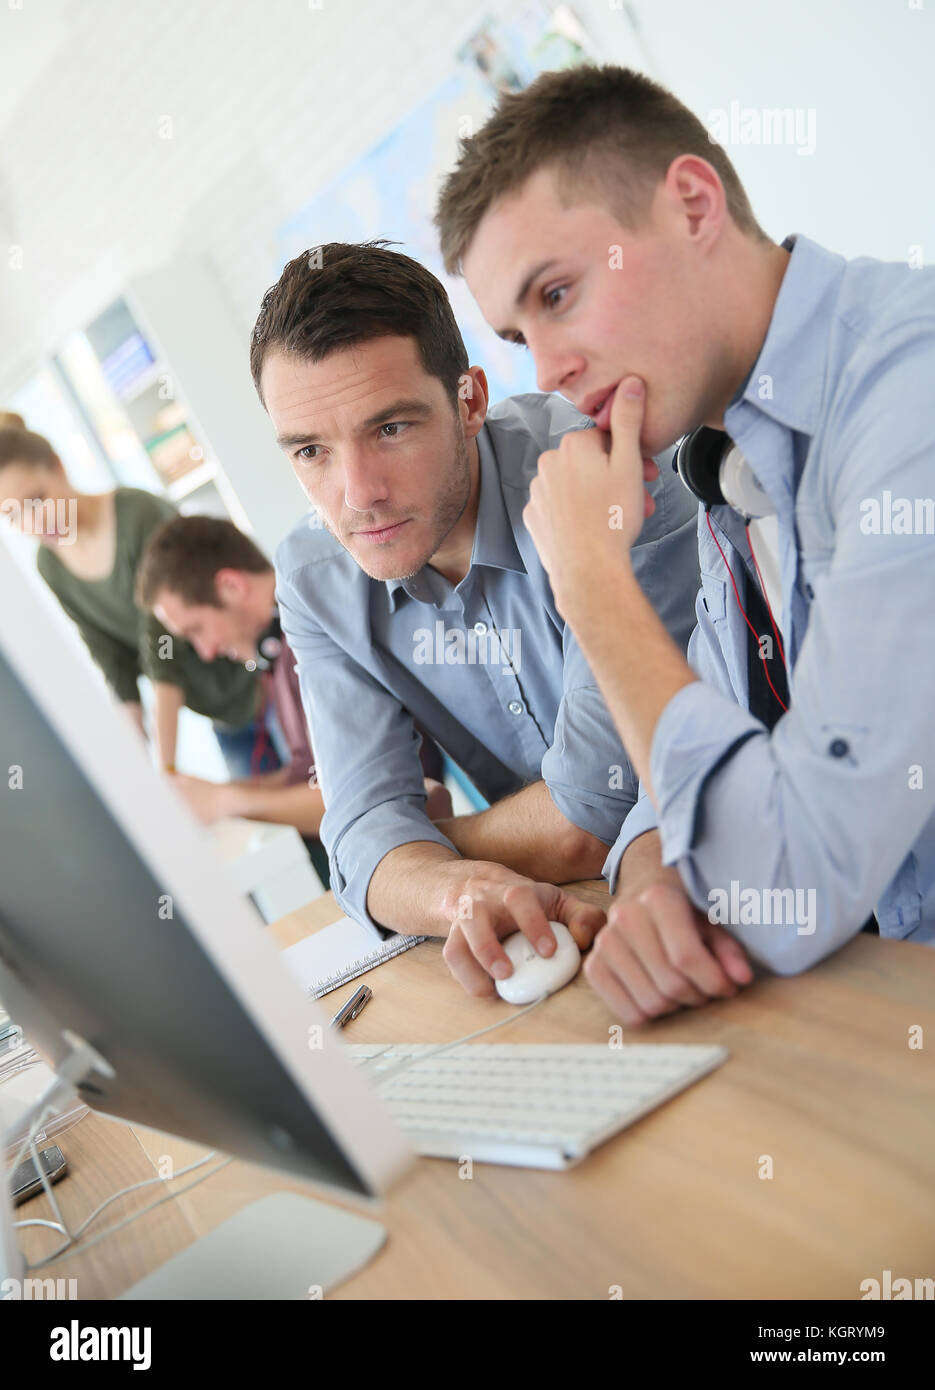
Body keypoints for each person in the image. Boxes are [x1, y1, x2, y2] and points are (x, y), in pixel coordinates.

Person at [434, 61, 935, 1023]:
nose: (547, 371)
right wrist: (655, 881)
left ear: (694, 206)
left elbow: (793, 886)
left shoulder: (904, 393)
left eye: (559, 294)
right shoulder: (722, 445)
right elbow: (689, 761)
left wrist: (588, 580)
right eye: (517, 334)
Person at [250, 240, 701, 993]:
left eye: (390, 429)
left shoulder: (608, 473)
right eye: (310, 451)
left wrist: (421, 845)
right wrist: (453, 888)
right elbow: (360, 843)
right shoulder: (315, 579)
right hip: (579, 932)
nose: (356, 493)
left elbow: (592, 814)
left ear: (470, 401)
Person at [135, 514, 453, 887]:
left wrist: (226, 802)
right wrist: (208, 795)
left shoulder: (311, 649)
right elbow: (307, 777)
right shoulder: (277, 658)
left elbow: (365, 794)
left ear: (232, 587)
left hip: (415, 857)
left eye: (196, 630)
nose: (204, 652)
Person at [0, 424, 270, 776]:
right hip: (222, 719)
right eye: (11, 515)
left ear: (57, 466)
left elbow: (162, 644)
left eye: (36, 500)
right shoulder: (50, 565)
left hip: (266, 687)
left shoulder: (138, 513)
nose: (34, 522)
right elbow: (110, 657)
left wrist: (166, 765)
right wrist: (134, 754)